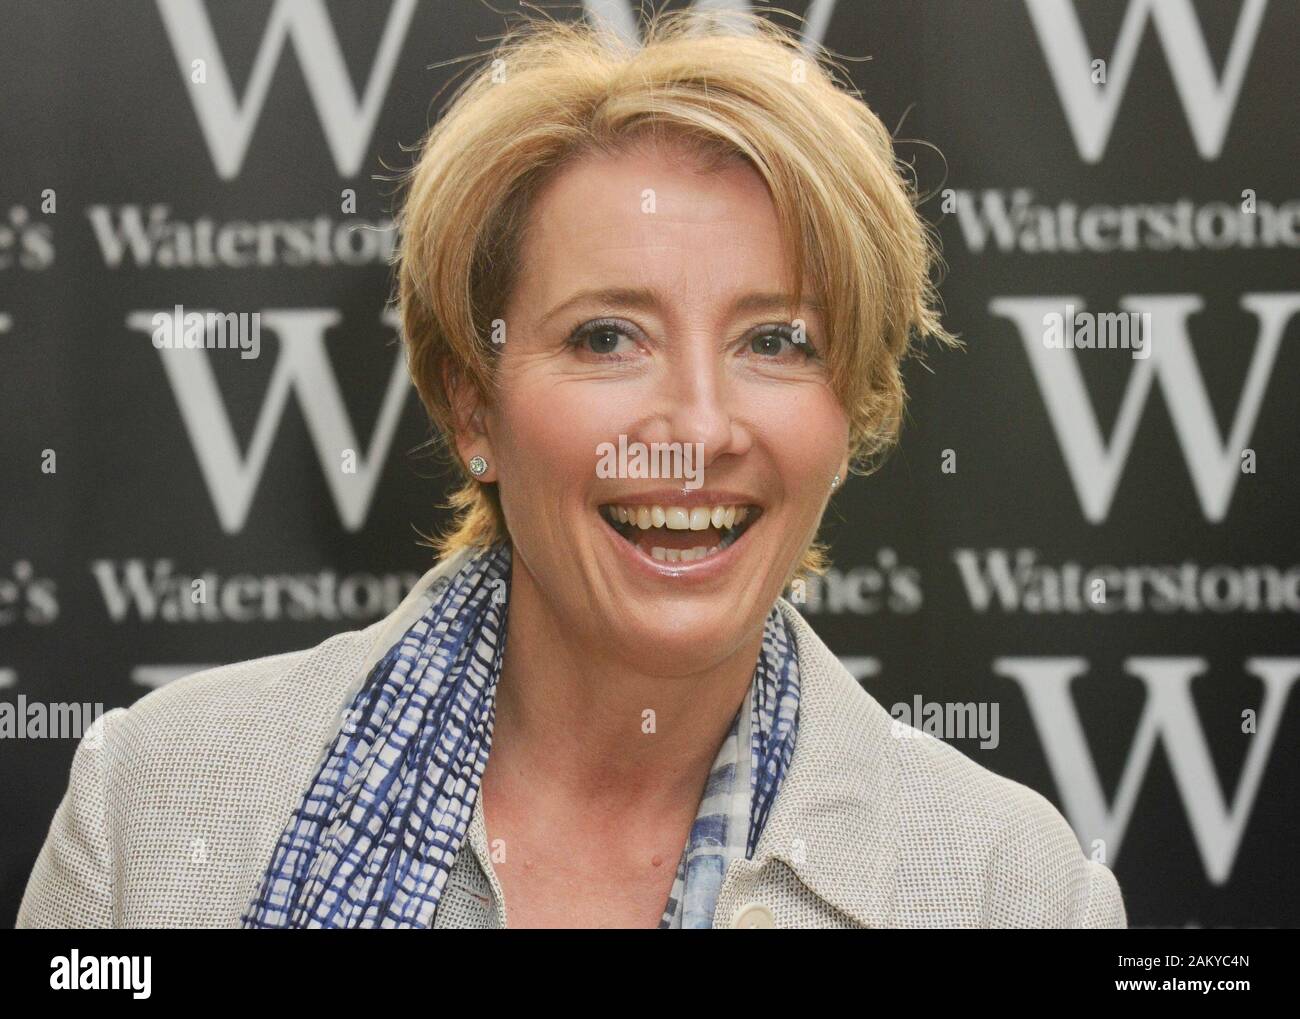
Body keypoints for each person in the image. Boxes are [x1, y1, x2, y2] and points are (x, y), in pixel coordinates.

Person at [18, 8, 1125, 928]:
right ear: (471, 404)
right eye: (607, 336)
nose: (696, 426)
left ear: (856, 411)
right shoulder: (155, 814)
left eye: (775, 340)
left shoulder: (1011, 889)